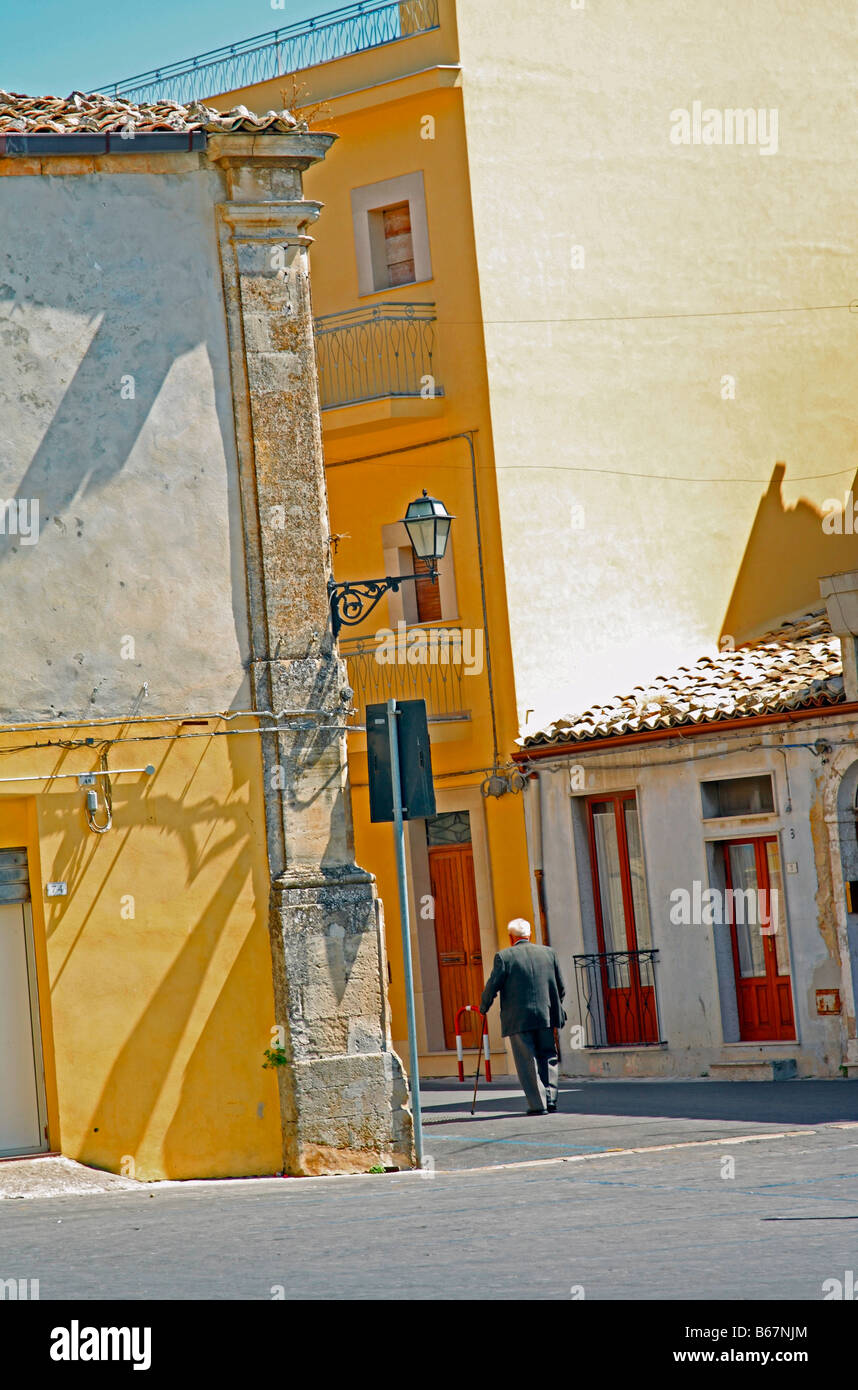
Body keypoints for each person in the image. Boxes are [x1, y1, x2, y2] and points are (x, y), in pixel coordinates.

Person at [479, 918, 566, 1114]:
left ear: (511, 938)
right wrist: (554, 1007)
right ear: (530, 935)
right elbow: (560, 986)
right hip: (546, 1014)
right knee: (548, 1055)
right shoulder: (548, 953)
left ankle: (538, 1104)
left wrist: (484, 1006)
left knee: (527, 1060)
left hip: (519, 1018)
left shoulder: (504, 957)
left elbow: (493, 985)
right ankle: (551, 1099)